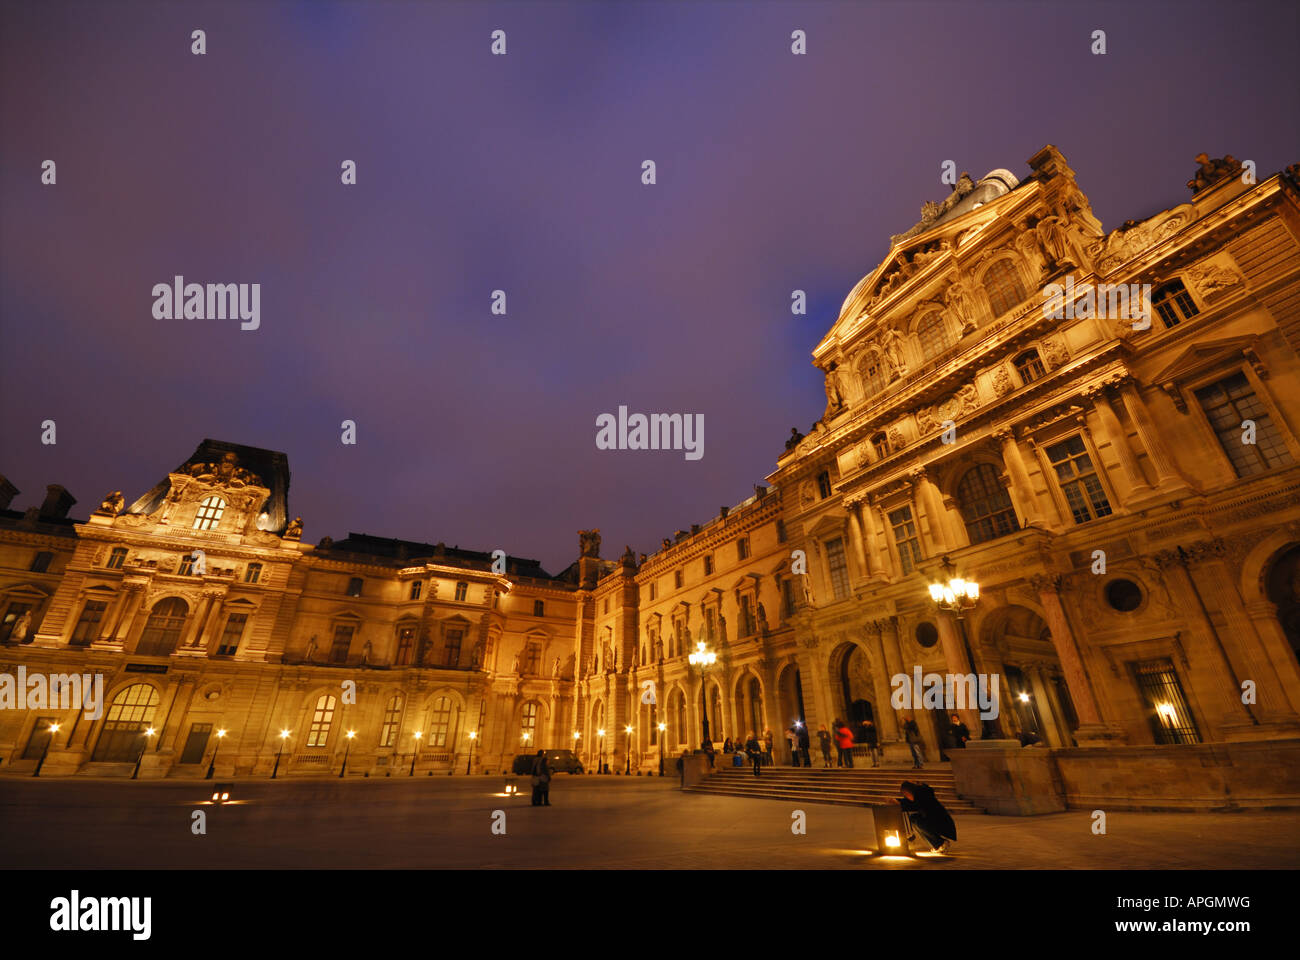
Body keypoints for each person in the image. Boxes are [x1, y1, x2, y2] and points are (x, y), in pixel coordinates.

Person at [896, 780, 956, 853]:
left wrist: (899, 803)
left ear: (909, 792)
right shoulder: (921, 794)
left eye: (906, 795)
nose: (907, 797)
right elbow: (910, 803)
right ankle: (938, 845)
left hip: (941, 823)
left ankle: (940, 843)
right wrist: (898, 801)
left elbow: (914, 805)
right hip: (938, 821)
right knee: (914, 818)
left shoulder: (922, 796)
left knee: (918, 822)